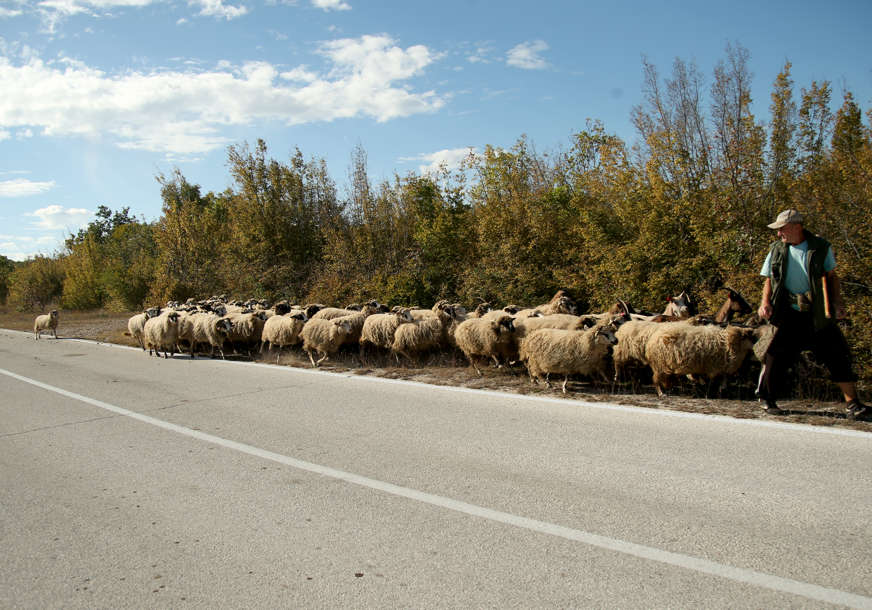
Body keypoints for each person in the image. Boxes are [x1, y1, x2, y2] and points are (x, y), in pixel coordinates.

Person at [756, 209, 867, 419]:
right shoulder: (777, 249)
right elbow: (769, 279)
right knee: (775, 355)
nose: (779, 234)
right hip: (788, 311)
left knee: (837, 353)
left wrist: (837, 303)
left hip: (816, 313)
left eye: (782, 229)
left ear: (797, 227)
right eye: (778, 230)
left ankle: (853, 404)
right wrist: (765, 303)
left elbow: (832, 277)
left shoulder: (820, 247)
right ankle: (767, 399)